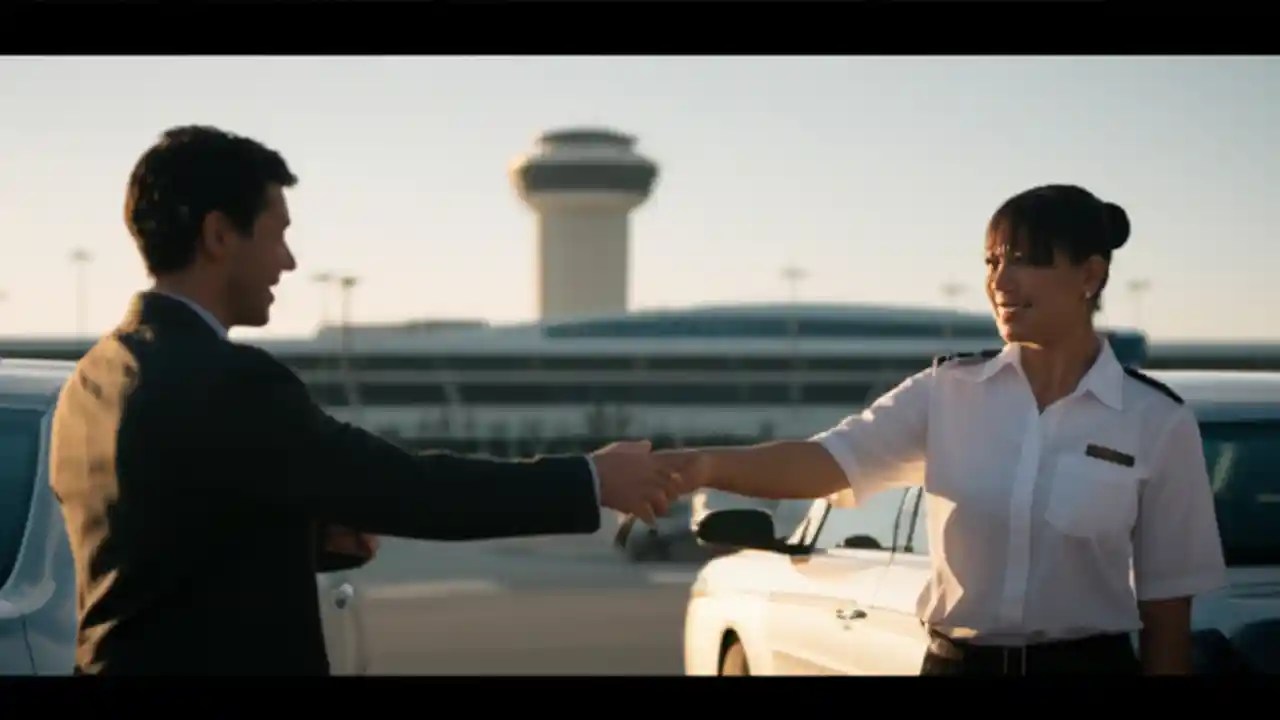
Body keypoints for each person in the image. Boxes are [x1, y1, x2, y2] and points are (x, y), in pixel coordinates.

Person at [48, 125, 682, 676]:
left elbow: (161, 538)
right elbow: (410, 488)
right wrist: (591, 478)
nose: (289, 262)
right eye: (277, 235)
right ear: (218, 235)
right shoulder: (227, 382)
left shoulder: (89, 381)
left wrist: (311, 534)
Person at [651, 184, 1227, 675]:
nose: (1000, 280)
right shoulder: (946, 392)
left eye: (1024, 259)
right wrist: (702, 465)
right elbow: (827, 461)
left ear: (1090, 275)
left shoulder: (1156, 421)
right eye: (992, 262)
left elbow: (1168, 607)